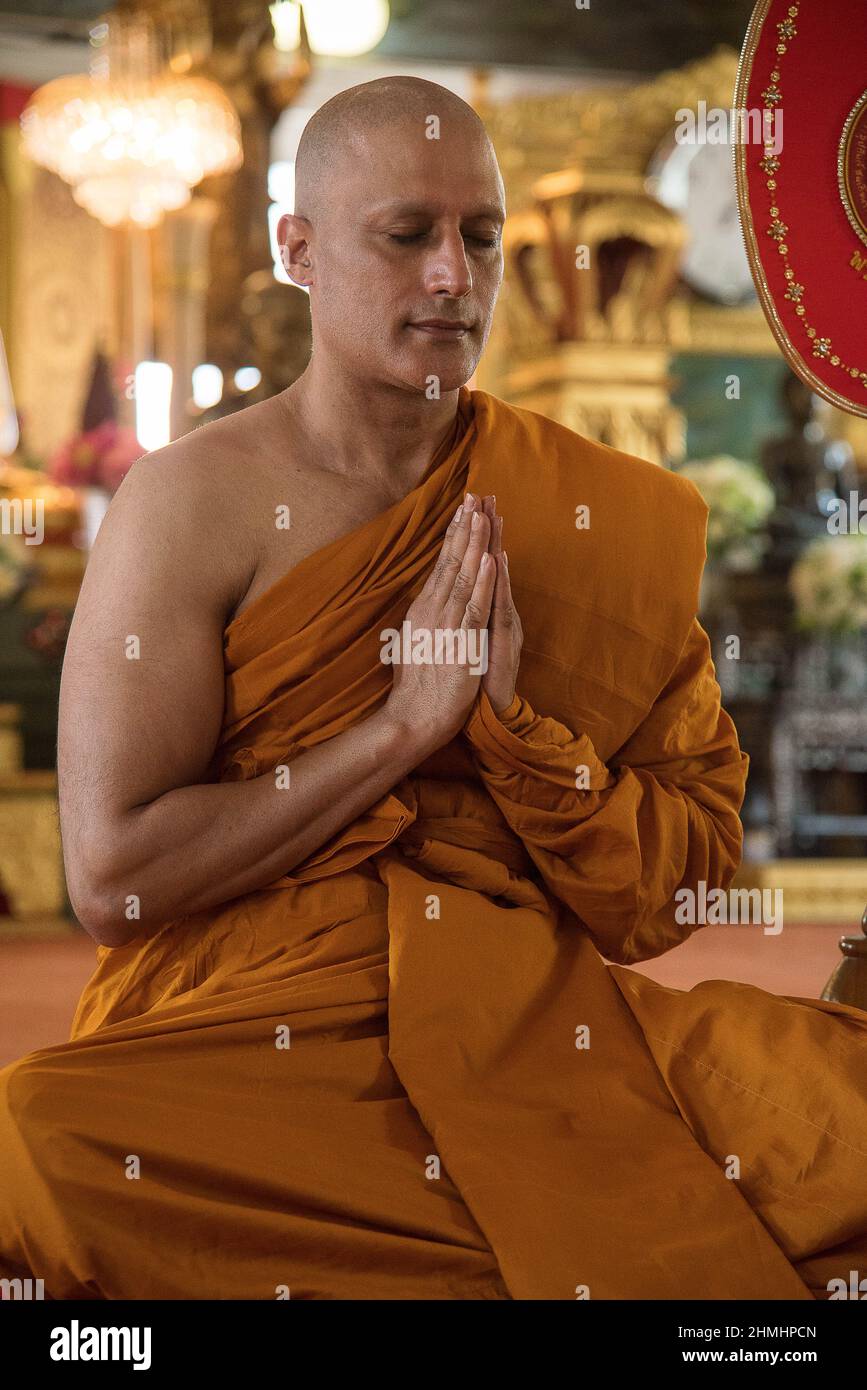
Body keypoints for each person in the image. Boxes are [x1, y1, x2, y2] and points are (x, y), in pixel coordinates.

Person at [0, 76, 865, 1301]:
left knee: (844, 1114)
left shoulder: (592, 510)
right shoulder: (191, 504)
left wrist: (524, 738)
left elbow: (675, 890)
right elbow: (115, 880)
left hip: (535, 1025)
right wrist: (403, 728)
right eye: (407, 236)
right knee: (44, 1137)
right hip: (260, 1032)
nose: (454, 277)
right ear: (298, 251)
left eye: (480, 236)